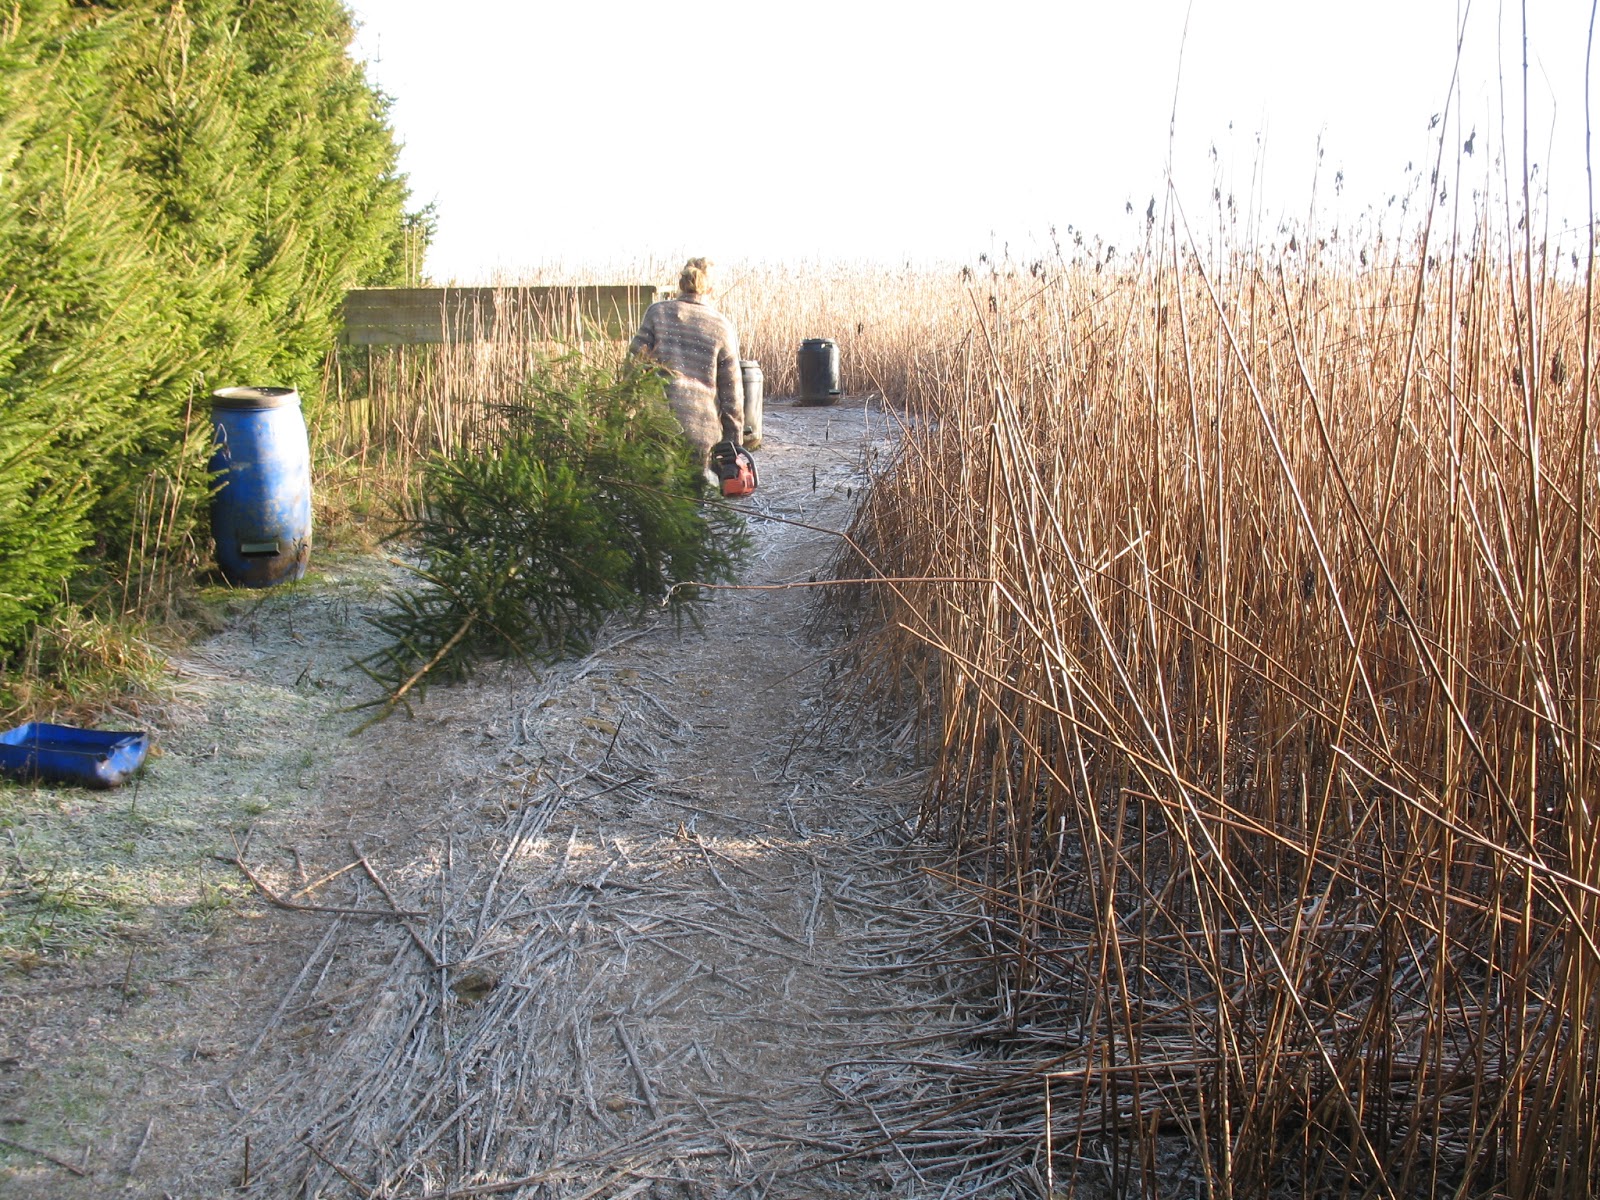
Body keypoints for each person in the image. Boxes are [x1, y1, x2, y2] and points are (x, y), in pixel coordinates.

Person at [627, 258, 744, 478]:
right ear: (711, 288)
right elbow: (732, 394)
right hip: (702, 433)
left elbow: (633, 367)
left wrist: (625, 415)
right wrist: (734, 442)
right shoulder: (721, 326)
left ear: (681, 283)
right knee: (692, 504)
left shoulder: (657, 313)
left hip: (657, 426)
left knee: (657, 500)